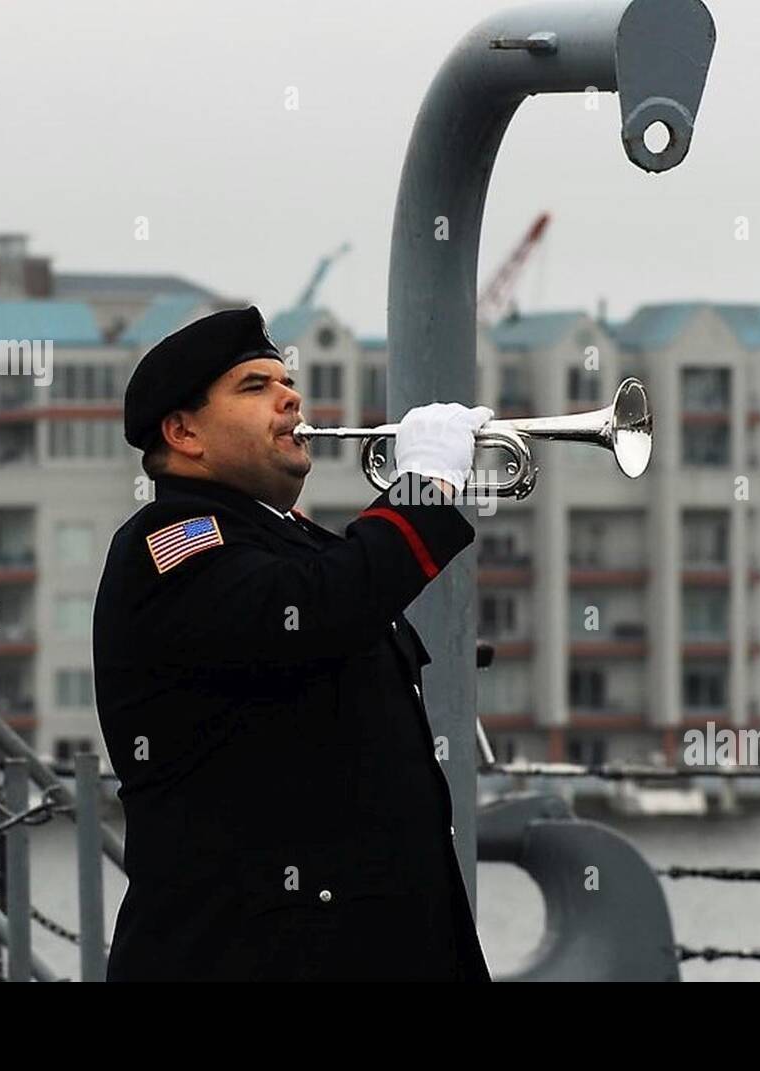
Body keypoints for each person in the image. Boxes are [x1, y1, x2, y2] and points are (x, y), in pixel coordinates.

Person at [93, 305, 495, 981]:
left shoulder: (287, 540)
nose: (291, 397)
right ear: (184, 430)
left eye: (287, 381)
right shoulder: (170, 545)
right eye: (255, 386)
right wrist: (423, 485)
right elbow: (314, 608)